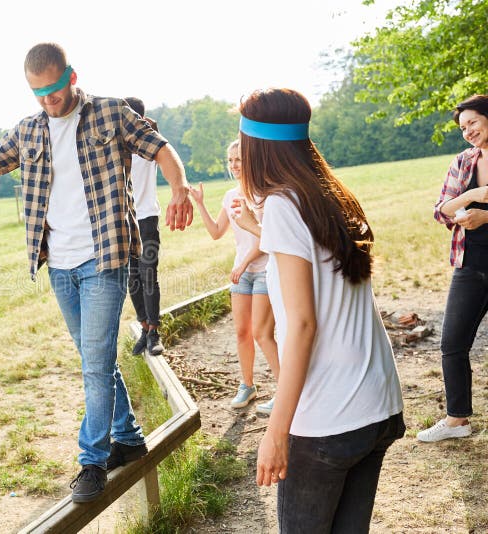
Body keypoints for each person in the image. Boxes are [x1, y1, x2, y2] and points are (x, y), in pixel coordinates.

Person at [0, 43, 193, 503]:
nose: (47, 101)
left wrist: (178, 187)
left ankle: (92, 460)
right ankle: (129, 437)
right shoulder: (28, 131)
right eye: (38, 93)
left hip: (106, 257)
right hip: (60, 264)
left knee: (94, 365)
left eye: (54, 91)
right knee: (93, 357)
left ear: (71, 77)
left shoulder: (111, 114)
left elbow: (162, 149)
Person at [233, 88, 404, 533]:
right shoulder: (334, 196)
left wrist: (277, 431)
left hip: (330, 417)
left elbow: (304, 324)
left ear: (256, 146)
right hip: (379, 403)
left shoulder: (283, 205)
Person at [189, 140, 280, 413]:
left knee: (263, 334)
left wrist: (243, 265)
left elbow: (264, 236)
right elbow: (217, 232)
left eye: (238, 159)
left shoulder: (264, 194)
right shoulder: (230, 196)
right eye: (230, 161)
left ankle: (284, 390)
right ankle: (248, 385)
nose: (234, 165)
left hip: (264, 270)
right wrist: (200, 204)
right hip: (242, 273)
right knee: (242, 332)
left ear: (251, 158)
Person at [423, 94, 488, 442]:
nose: (468, 132)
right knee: (451, 343)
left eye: (473, 123)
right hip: (471, 265)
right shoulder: (463, 162)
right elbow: (441, 209)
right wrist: (473, 194)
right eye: (463, 127)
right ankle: (456, 422)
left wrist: (485, 216)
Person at [124, 97, 164, 357]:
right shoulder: (118, 148)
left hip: (146, 220)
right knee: (133, 279)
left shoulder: (148, 146)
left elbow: (161, 143)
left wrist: (149, 125)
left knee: (148, 275)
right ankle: (144, 326)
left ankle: (155, 333)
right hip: (125, 223)